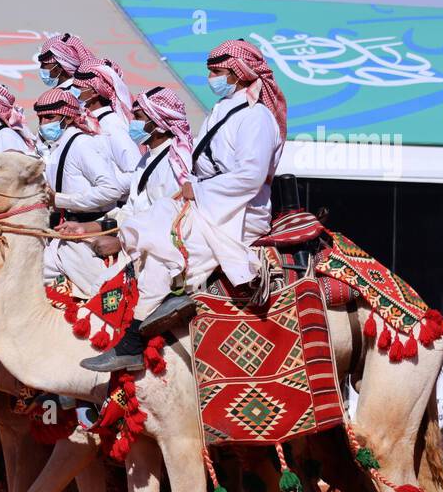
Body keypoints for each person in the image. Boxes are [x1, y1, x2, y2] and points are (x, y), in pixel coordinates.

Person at [80, 39, 286, 372]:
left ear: (237, 73)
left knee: (170, 247)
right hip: (209, 201)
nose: (211, 79)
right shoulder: (222, 110)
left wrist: (199, 192)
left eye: (217, 72)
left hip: (239, 212)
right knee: (160, 215)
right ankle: (123, 258)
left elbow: (250, 176)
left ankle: (136, 337)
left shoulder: (257, 117)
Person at [35, 88, 125, 298]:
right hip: (64, 231)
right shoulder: (56, 148)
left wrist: (60, 199)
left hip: (93, 231)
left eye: (50, 117)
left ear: (66, 117)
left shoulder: (82, 144)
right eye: (40, 118)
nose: (43, 123)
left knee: (102, 294)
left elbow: (111, 190)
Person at [72, 53, 142, 175]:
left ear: (94, 92)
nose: (72, 92)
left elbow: (135, 172)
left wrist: (107, 188)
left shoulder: (113, 126)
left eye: (77, 87)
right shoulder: (89, 121)